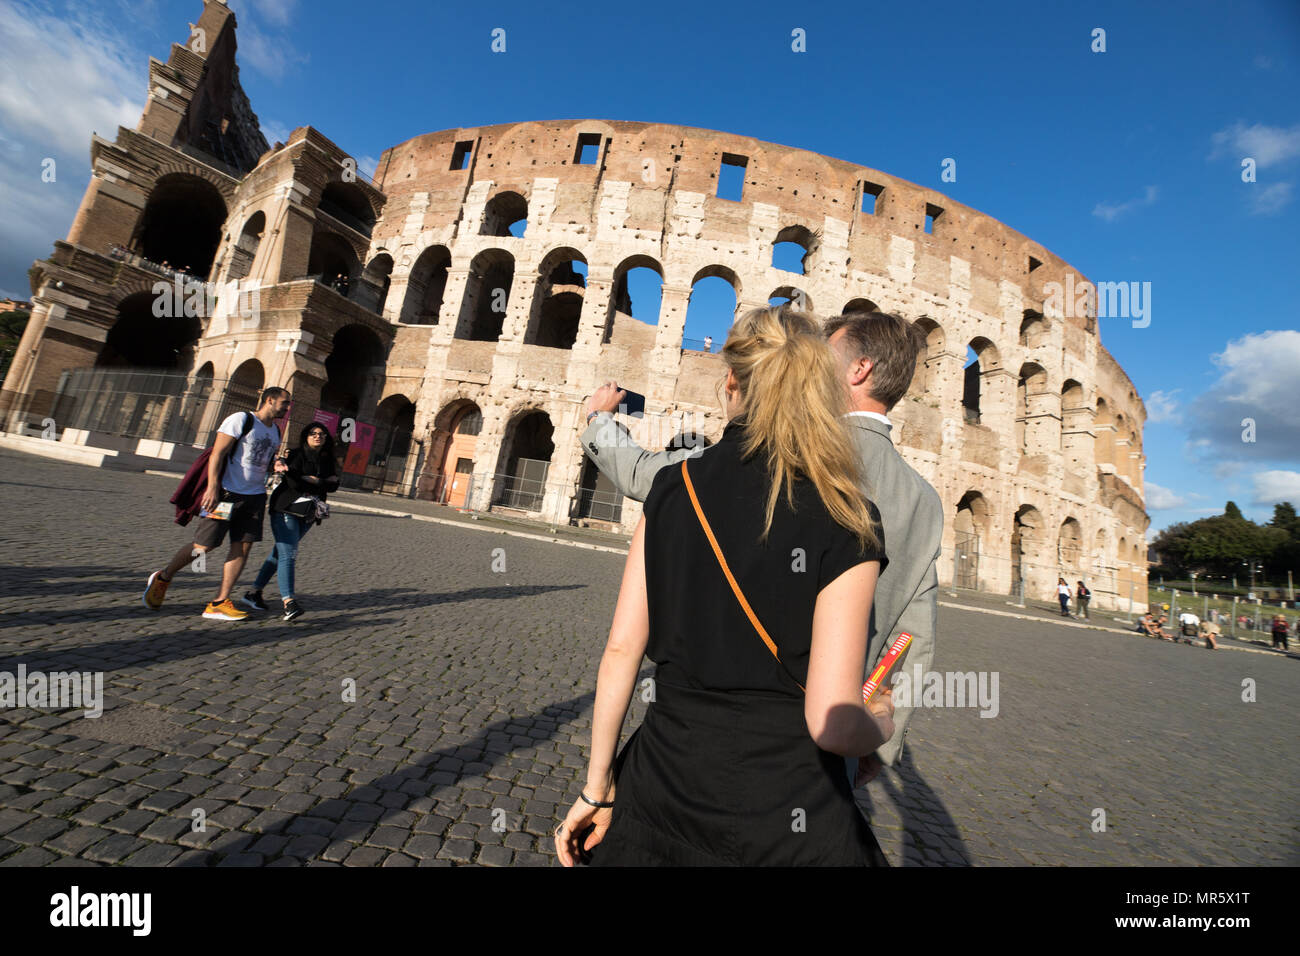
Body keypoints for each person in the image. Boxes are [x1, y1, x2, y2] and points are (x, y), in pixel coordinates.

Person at [554, 306, 895, 867]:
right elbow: (831, 720)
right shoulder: (848, 512)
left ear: (732, 381)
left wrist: (597, 787)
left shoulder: (673, 486)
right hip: (788, 810)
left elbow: (620, 651)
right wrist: (881, 719)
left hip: (663, 784)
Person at [142, 388, 290, 620]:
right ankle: (164, 576)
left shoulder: (276, 431)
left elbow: (260, 459)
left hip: (255, 497)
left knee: (243, 547)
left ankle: (220, 602)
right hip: (227, 495)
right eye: (284, 403)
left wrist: (276, 464)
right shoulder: (241, 419)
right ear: (269, 400)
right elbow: (217, 454)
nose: (287, 407)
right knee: (204, 546)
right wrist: (212, 488)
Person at [242, 423, 339, 621]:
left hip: (309, 512)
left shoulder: (328, 459)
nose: (317, 436)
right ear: (306, 436)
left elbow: (334, 484)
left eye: (322, 434)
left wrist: (314, 480)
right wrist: (319, 481)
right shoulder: (295, 454)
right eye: (313, 433)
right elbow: (294, 482)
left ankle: (253, 592)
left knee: (279, 553)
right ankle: (289, 602)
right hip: (286, 507)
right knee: (289, 553)